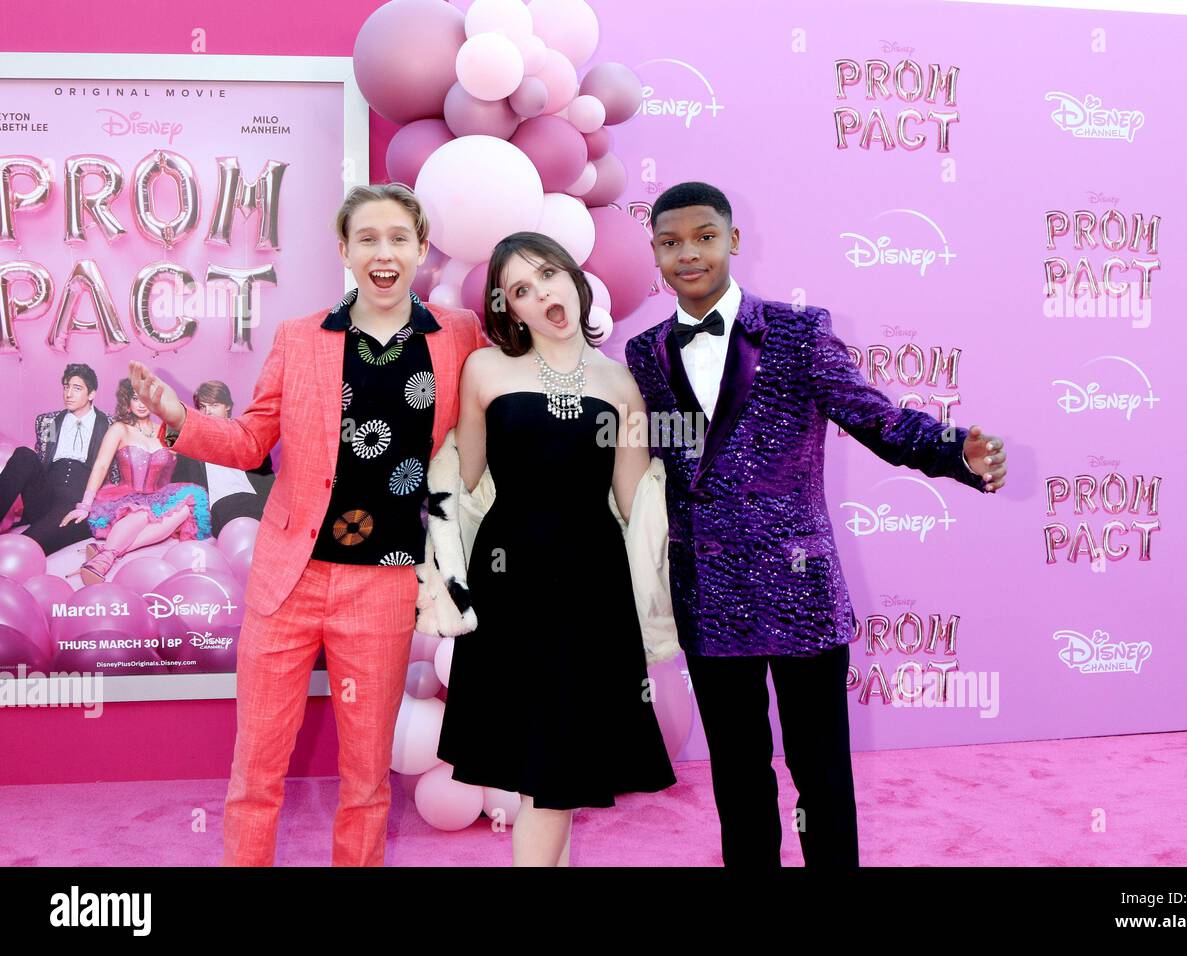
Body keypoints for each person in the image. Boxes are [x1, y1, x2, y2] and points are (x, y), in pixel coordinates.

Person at [624, 182, 1009, 867]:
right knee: (738, 777)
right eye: (670, 241)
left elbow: (874, 417)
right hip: (707, 595)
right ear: (654, 251)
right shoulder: (645, 352)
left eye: (705, 237)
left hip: (798, 593)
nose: (689, 253)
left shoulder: (799, 334)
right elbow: (664, 459)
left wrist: (955, 452)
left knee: (821, 771)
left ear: (734, 241)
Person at [128, 183, 486, 866]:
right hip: (288, 578)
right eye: (368, 239)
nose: (384, 252)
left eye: (399, 238)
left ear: (420, 249)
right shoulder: (300, 337)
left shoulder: (458, 335)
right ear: (345, 250)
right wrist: (179, 421)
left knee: (364, 780)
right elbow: (249, 443)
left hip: (385, 582)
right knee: (257, 768)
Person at [435, 231, 676, 867]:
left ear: (572, 277)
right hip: (508, 581)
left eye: (546, 274)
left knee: (560, 768)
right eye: (520, 289)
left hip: (592, 587)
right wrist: (437, 577)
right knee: (547, 769)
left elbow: (635, 503)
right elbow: (460, 483)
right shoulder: (485, 370)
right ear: (508, 310)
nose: (540, 292)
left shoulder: (620, 381)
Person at [61, 378, 211, 585]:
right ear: (127, 402)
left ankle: (106, 552)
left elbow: (193, 446)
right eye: (135, 398)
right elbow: (101, 466)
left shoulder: (166, 432)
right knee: (142, 510)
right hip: (126, 496)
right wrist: (85, 505)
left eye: (146, 399)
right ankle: (104, 560)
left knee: (190, 503)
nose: (141, 404)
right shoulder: (120, 429)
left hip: (159, 495)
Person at [0, 363, 121, 555]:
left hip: (77, 500)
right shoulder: (48, 422)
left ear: (91, 394)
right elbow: (42, 457)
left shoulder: (109, 425)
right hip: (44, 495)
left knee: (26, 546)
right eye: (66, 387)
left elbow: (112, 471)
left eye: (77, 388)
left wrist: (97, 508)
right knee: (25, 454)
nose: (69, 394)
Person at [170, 380, 275, 537]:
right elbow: (182, 489)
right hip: (218, 510)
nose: (208, 412)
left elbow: (268, 483)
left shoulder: (248, 438)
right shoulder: (189, 447)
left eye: (214, 405)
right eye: (202, 407)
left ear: (227, 406)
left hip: (255, 504)